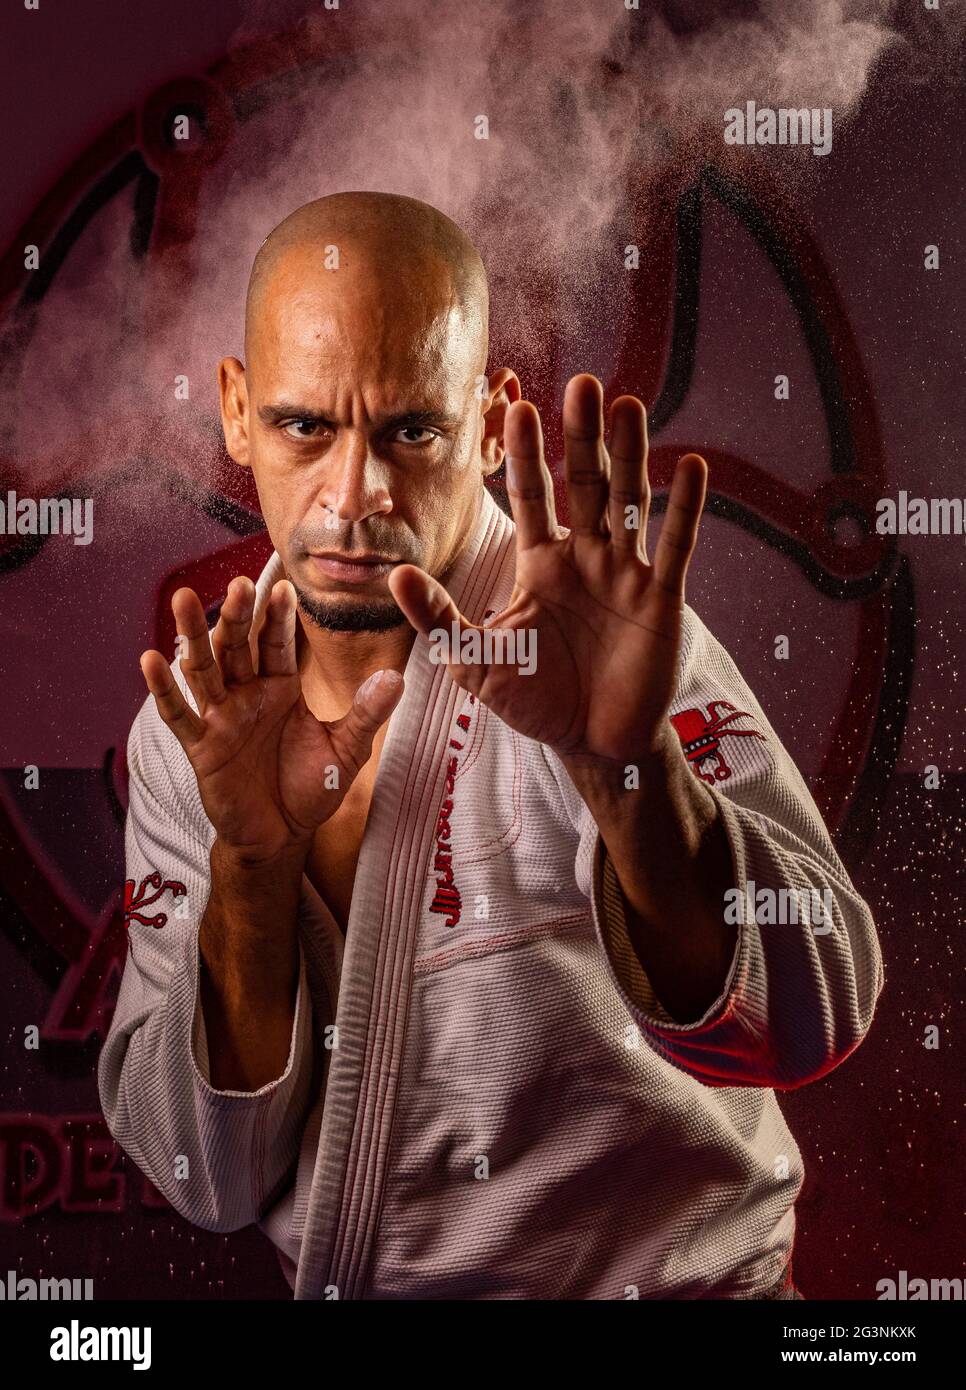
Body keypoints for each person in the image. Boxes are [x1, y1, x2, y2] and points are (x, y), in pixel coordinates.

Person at [99, 191, 882, 1300]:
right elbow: (204, 1175)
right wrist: (253, 863)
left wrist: (630, 773)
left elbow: (815, 1011)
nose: (354, 495)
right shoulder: (193, 728)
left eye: (411, 431)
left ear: (487, 412)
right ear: (236, 410)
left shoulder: (582, 647)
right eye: (303, 426)